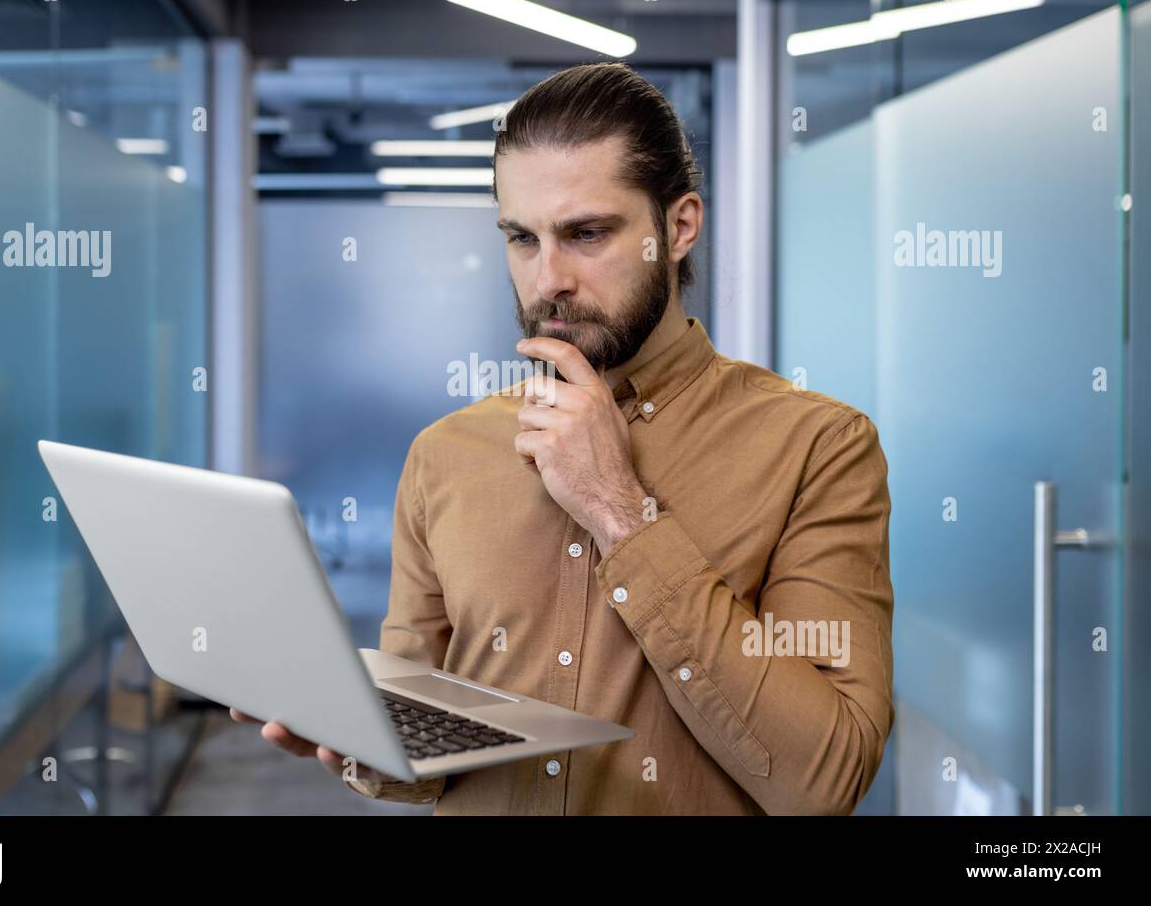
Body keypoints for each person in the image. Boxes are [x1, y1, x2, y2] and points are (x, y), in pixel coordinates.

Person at [233, 61, 894, 815]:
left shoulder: (820, 448)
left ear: (677, 227)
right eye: (521, 237)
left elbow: (825, 780)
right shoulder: (445, 454)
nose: (547, 280)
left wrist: (621, 510)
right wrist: (354, 732)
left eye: (585, 234)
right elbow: (420, 758)